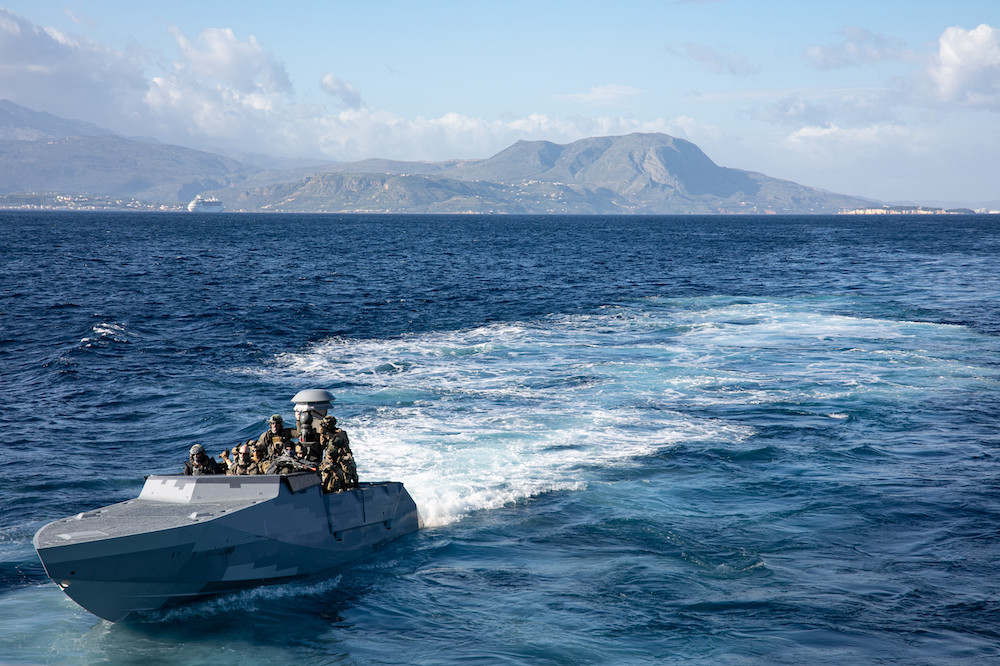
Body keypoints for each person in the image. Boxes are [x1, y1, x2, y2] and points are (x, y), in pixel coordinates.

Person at [319, 416, 358, 493]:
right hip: (330, 456)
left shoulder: (341, 433)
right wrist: (323, 435)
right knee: (326, 471)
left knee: (347, 470)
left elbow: (345, 447)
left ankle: (347, 486)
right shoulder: (325, 434)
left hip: (340, 456)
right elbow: (322, 445)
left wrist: (347, 455)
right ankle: (325, 488)